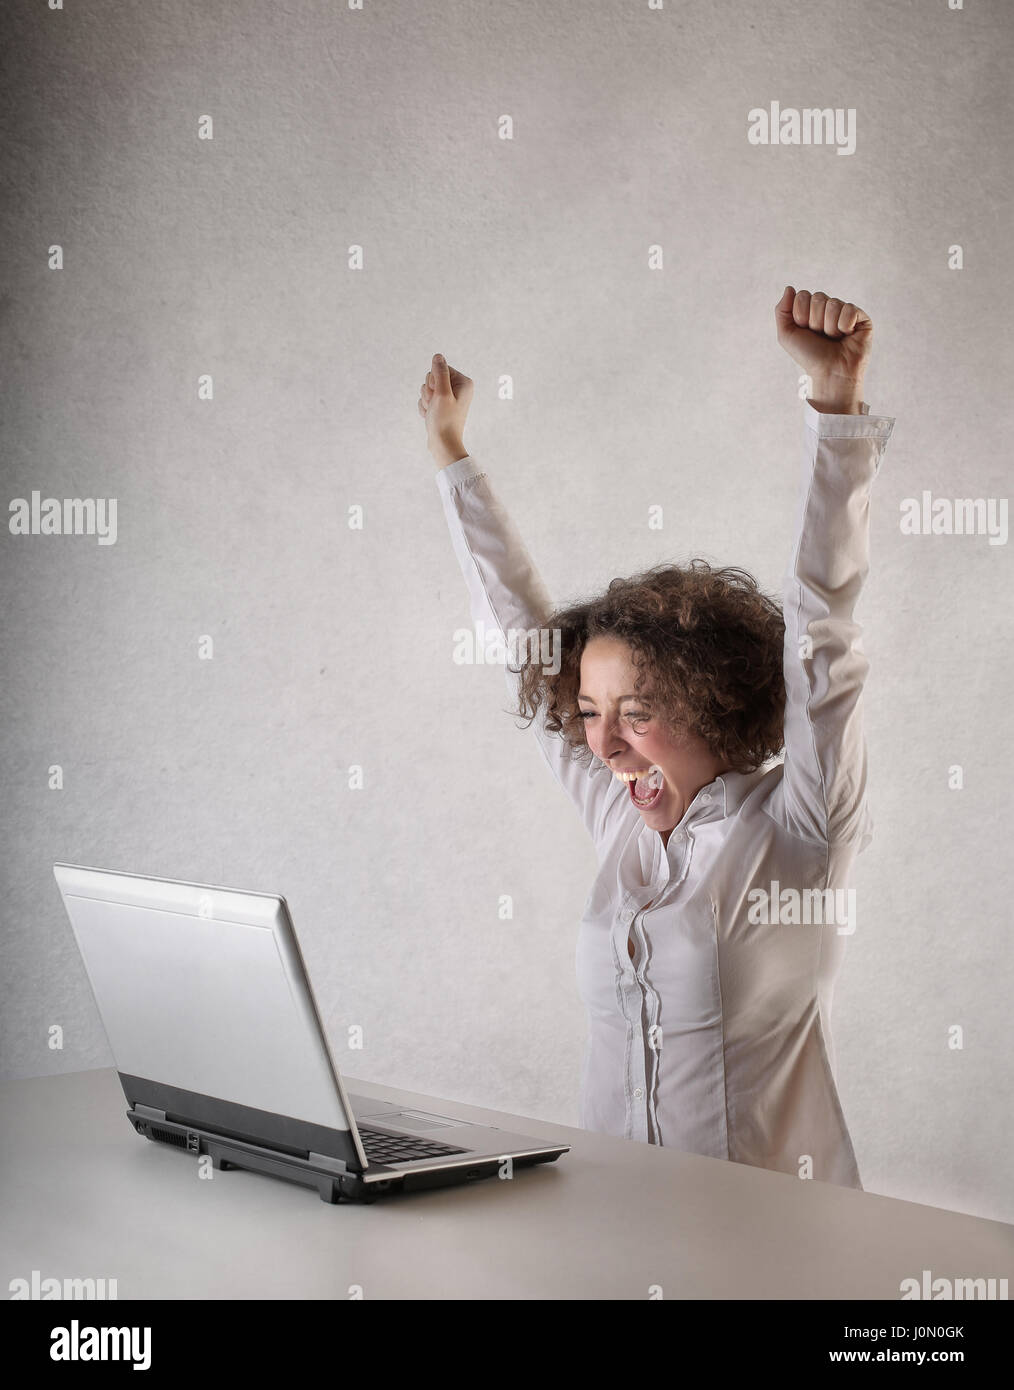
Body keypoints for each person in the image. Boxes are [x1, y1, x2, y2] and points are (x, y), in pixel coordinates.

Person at [417, 287, 895, 1188]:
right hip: (609, 1241)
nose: (603, 746)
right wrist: (450, 453)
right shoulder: (620, 816)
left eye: (637, 712)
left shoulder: (801, 830)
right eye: (590, 713)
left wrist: (833, 405)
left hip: (776, 1263)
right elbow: (523, 635)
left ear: (710, 701)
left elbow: (822, 628)